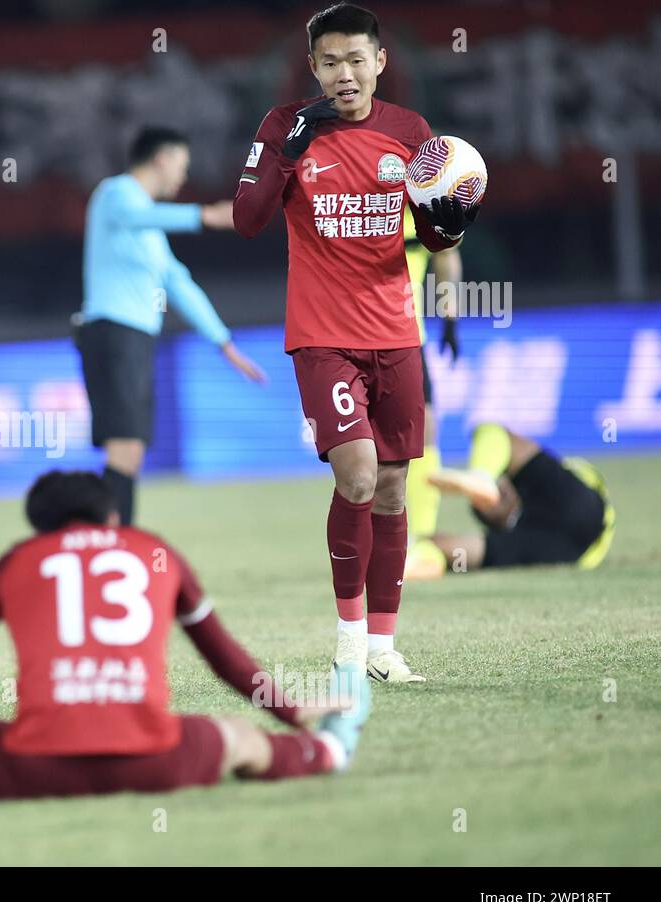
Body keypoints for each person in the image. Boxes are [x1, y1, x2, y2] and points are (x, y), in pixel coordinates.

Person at [0, 470, 370, 808]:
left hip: (34, 768)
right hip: (153, 762)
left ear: (41, 529)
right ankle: (328, 751)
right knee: (239, 738)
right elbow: (226, 661)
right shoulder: (155, 551)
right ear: (113, 519)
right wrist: (293, 712)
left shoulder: (16, 561)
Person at [232, 2, 478, 683]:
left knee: (396, 491)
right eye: (331, 62)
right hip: (321, 338)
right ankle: (346, 639)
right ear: (313, 67)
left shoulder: (411, 132)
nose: (346, 74)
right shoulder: (284, 126)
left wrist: (450, 224)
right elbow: (247, 220)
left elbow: (432, 236)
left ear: (380, 62)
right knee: (360, 474)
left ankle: (381, 648)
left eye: (357, 59)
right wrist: (288, 153)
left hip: (397, 335)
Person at [77, 126, 266, 526]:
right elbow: (137, 216)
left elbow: (179, 283)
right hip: (112, 333)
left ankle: (114, 537)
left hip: (134, 338)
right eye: (181, 166)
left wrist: (224, 343)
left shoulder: (150, 232)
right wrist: (206, 216)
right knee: (123, 446)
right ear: (162, 159)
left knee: (130, 449)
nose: (183, 178)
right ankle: (109, 540)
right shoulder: (115, 194)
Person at [423, 425, 615, 574]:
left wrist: (416, 543)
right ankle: (481, 475)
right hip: (587, 526)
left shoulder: (510, 545)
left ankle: (481, 476)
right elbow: (499, 434)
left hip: (573, 546)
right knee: (491, 430)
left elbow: (457, 549)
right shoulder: (512, 541)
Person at [401, 214, 464, 580]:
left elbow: (446, 254)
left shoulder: (426, 198)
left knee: (425, 430)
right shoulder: (364, 194)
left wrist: (450, 317)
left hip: (409, 336)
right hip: (355, 332)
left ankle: (420, 540)